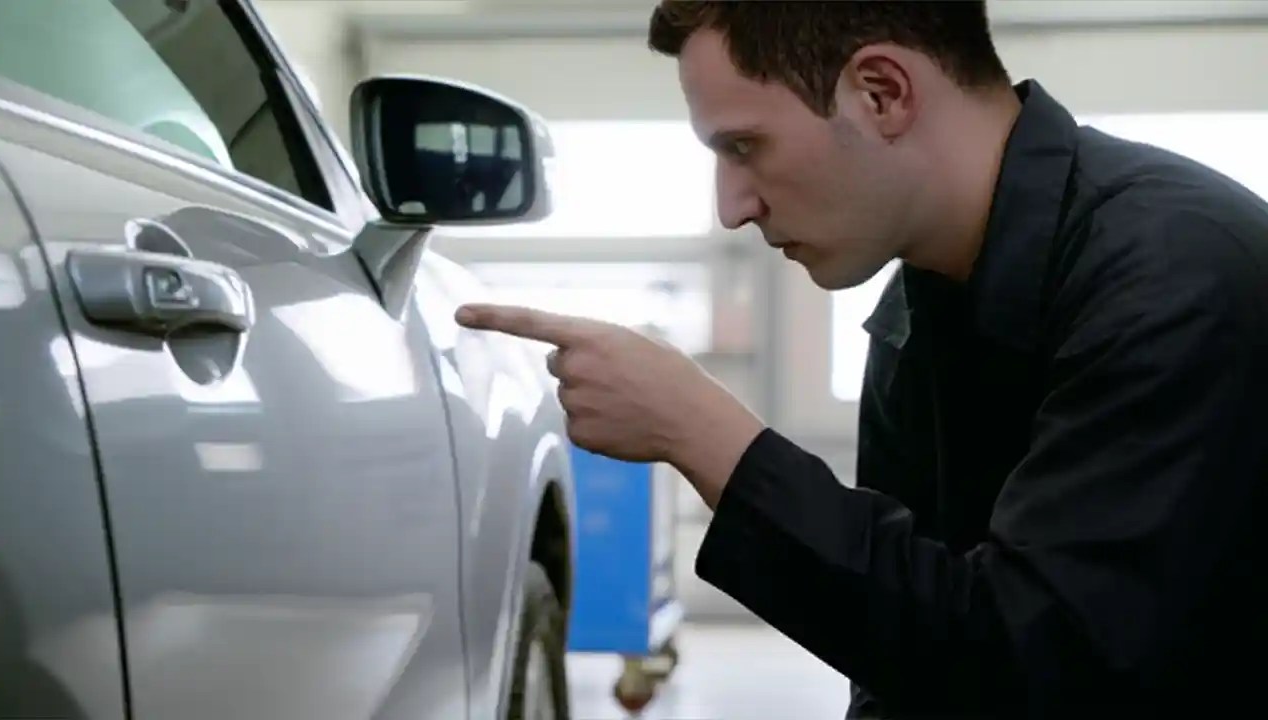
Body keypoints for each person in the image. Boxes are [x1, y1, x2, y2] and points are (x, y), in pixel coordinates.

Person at [455, 1, 1268, 717]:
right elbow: (909, 659)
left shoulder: (1173, 274)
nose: (732, 207)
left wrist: (708, 437)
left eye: (745, 146)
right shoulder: (917, 309)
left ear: (882, 93)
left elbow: (1034, 666)